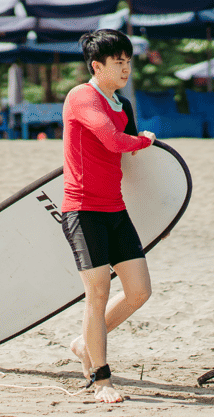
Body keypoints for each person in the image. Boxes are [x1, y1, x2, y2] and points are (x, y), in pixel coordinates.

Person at [61, 29, 156, 403]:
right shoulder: (82, 97)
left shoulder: (123, 106)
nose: (126, 68)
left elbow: (132, 165)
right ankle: (100, 380)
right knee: (98, 293)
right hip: (83, 210)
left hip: (115, 209)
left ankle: (85, 345)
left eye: (129, 62)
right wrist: (146, 139)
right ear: (97, 66)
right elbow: (116, 141)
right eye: (118, 62)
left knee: (139, 291)